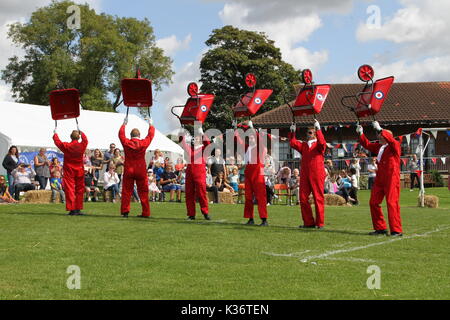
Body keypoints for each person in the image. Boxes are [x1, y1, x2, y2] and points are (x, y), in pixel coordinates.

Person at [356, 121, 403, 236]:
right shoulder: (380, 147)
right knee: (373, 202)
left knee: (392, 203)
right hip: (380, 177)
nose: (379, 136)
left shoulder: (395, 145)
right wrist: (361, 133)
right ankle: (380, 228)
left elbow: (391, 140)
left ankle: (396, 229)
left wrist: (380, 129)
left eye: (381, 135)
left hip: (391, 177)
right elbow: (367, 144)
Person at [289, 120, 326, 229]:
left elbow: (322, 143)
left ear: (315, 134)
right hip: (305, 174)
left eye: (310, 132)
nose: (307, 134)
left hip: (317, 173)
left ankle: (320, 223)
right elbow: (292, 143)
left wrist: (319, 130)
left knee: (318, 197)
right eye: (307, 132)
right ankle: (308, 222)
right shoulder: (304, 145)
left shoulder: (318, 145)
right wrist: (292, 132)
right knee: (303, 198)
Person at [119, 117, 155, 218]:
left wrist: (123, 125)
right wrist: (151, 125)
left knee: (126, 191)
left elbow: (121, 135)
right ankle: (146, 212)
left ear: (131, 136)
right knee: (143, 192)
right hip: (140, 169)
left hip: (129, 169)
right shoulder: (143, 143)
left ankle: (125, 212)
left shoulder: (127, 143)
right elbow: (150, 136)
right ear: (139, 135)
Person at [235, 122, 269, 226]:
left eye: (252, 138)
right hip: (249, 171)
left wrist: (252, 128)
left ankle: (264, 219)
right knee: (248, 196)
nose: (251, 139)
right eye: (249, 138)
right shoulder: (247, 147)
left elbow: (260, 140)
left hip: (258, 172)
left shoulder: (259, 147)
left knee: (260, 196)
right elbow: (239, 141)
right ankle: (250, 218)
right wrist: (235, 129)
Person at [54, 129, 88, 215]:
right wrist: (82, 133)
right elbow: (85, 140)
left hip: (69, 169)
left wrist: (55, 134)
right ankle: (78, 208)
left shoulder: (67, 145)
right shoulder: (82, 145)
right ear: (79, 137)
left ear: (70, 137)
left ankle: (72, 209)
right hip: (79, 169)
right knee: (80, 190)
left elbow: (58, 142)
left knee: (70, 189)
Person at [179, 127, 211, 220]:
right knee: (189, 194)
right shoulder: (190, 149)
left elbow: (208, 143)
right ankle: (191, 214)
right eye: (195, 138)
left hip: (200, 174)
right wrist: (182, 133)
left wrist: (202, 133)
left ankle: (205, 212)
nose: (195, 139)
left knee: (201, 193)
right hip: (189, 173)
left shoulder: (204, 149)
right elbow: (182, 142)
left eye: (197, 138)